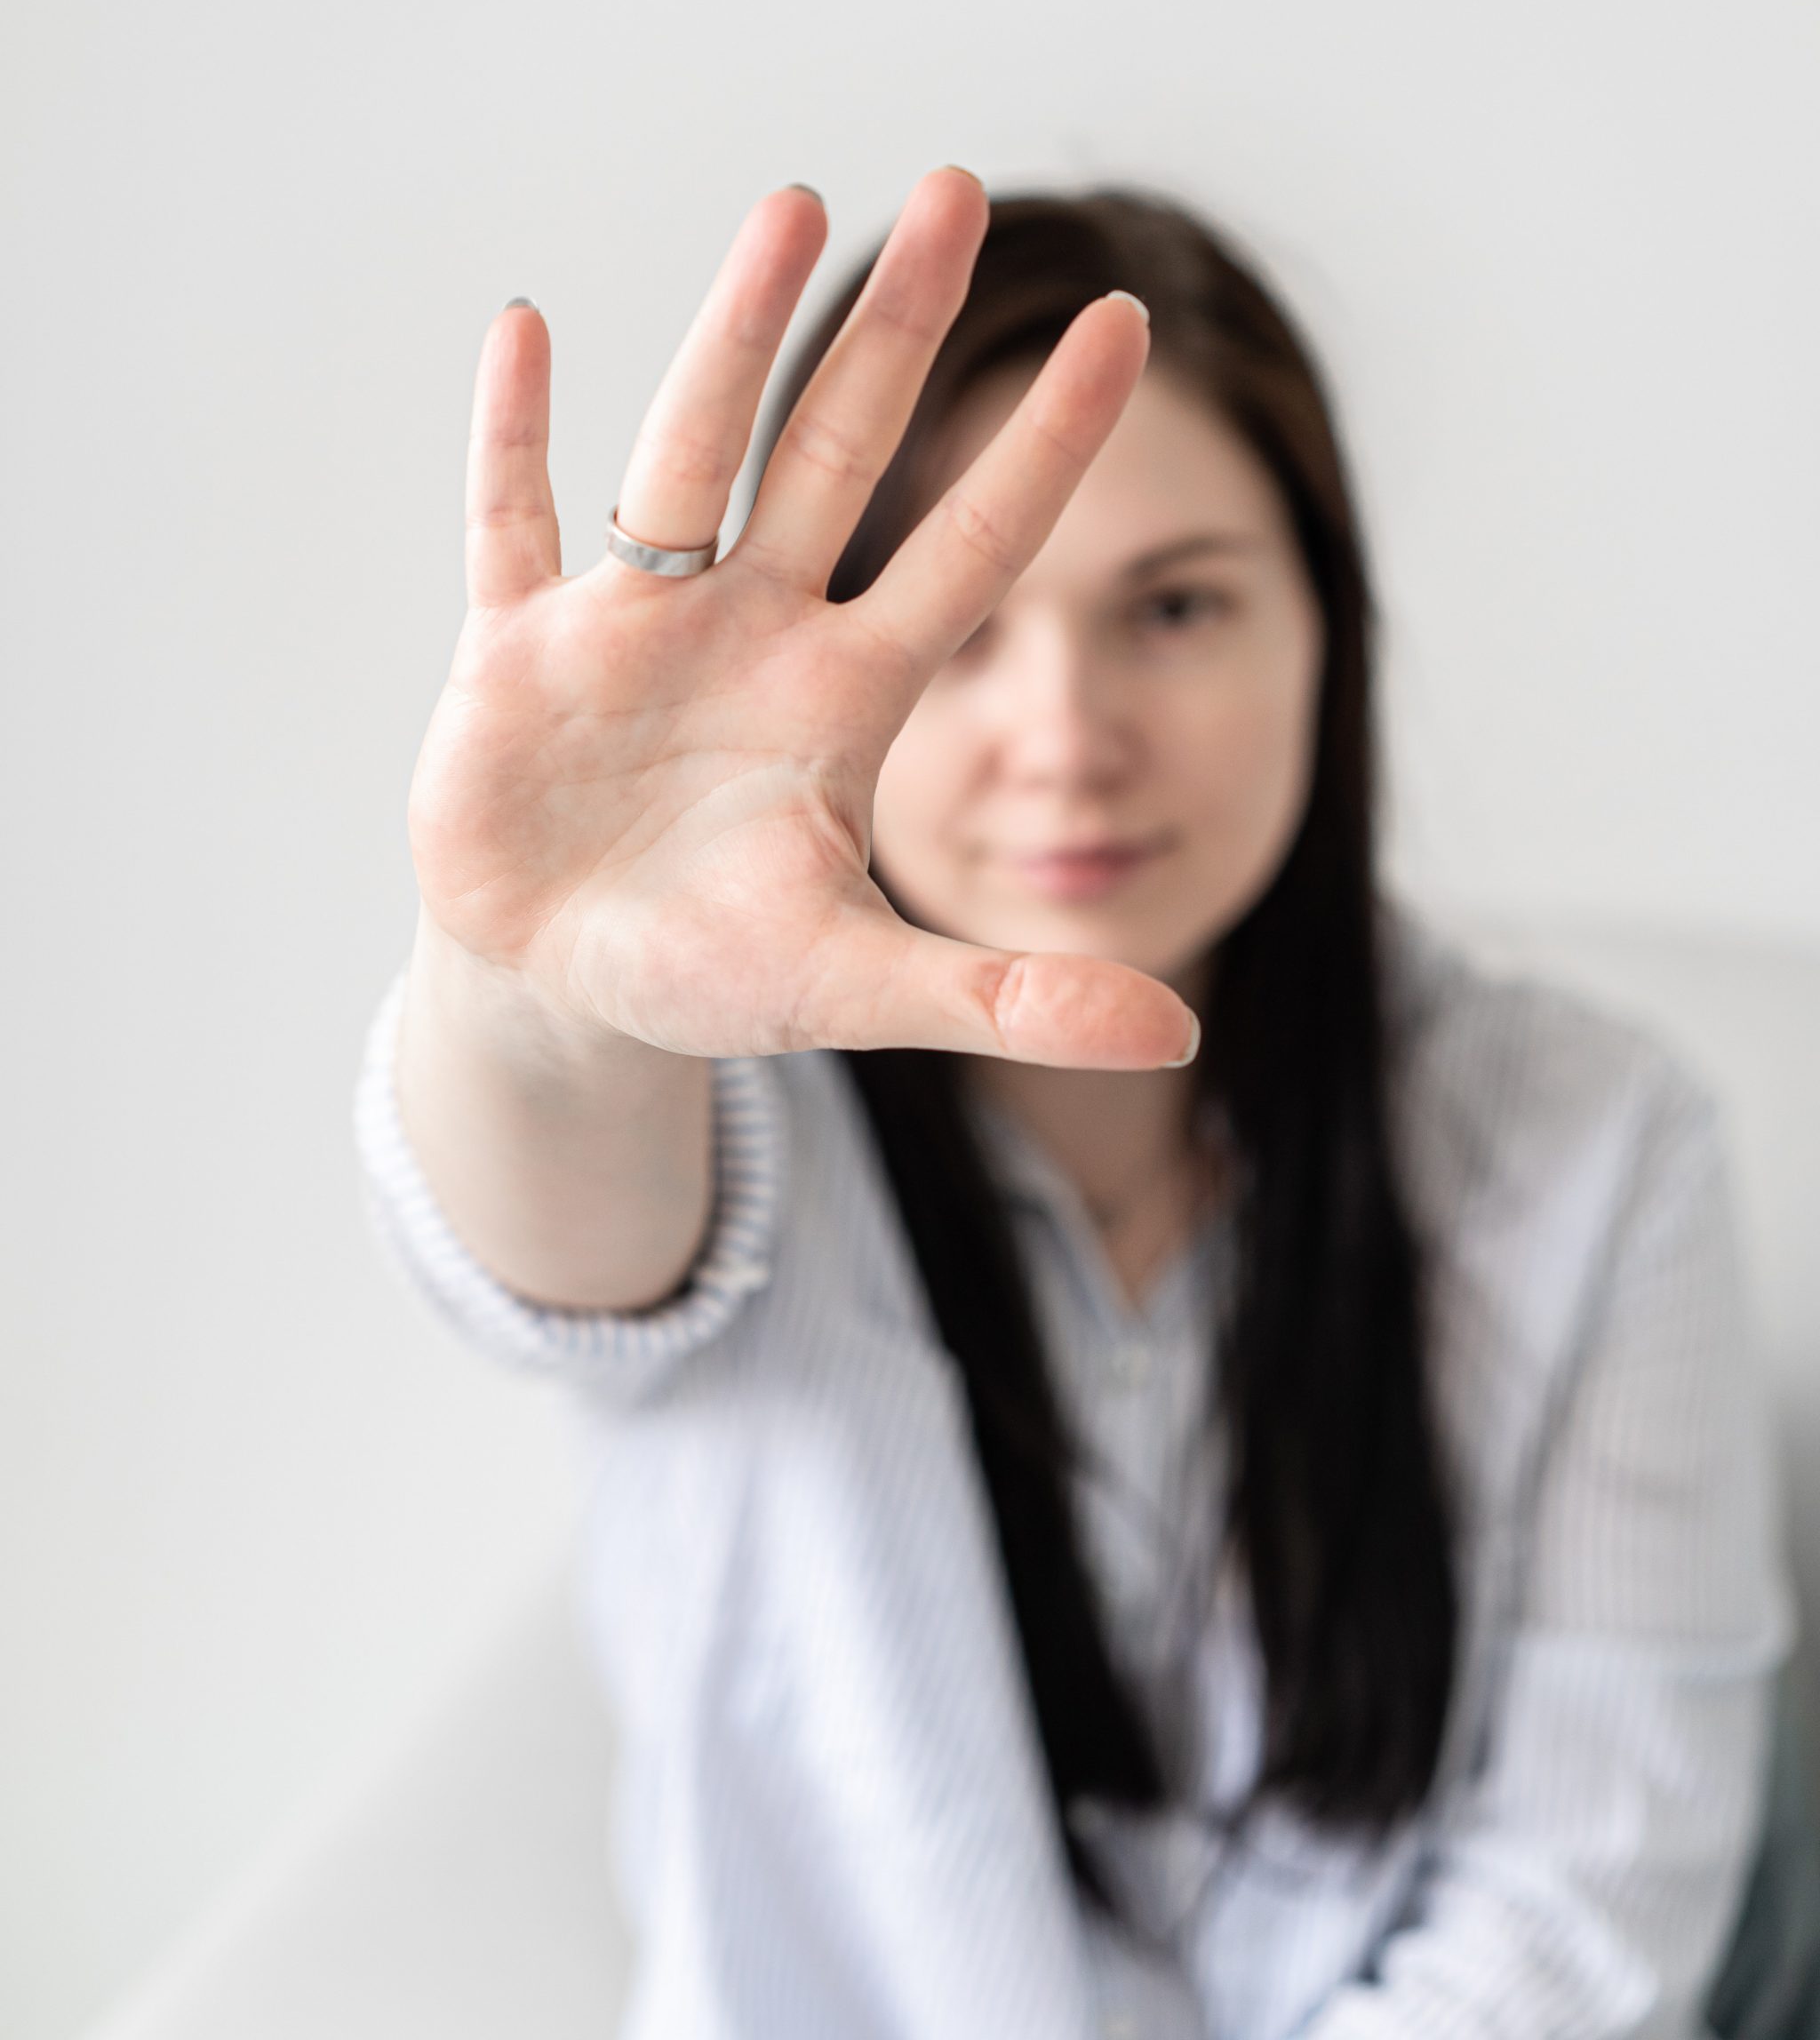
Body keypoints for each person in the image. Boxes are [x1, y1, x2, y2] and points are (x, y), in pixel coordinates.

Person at [354, 167, 1807, 2036]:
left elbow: (1584, 1912)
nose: (1068, 733)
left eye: (1175, 606)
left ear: (1325, 630)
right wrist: (526, 977)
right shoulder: (722, 1105)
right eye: (962, 627)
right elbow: (535, 1231)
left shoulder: (1598, 1145)